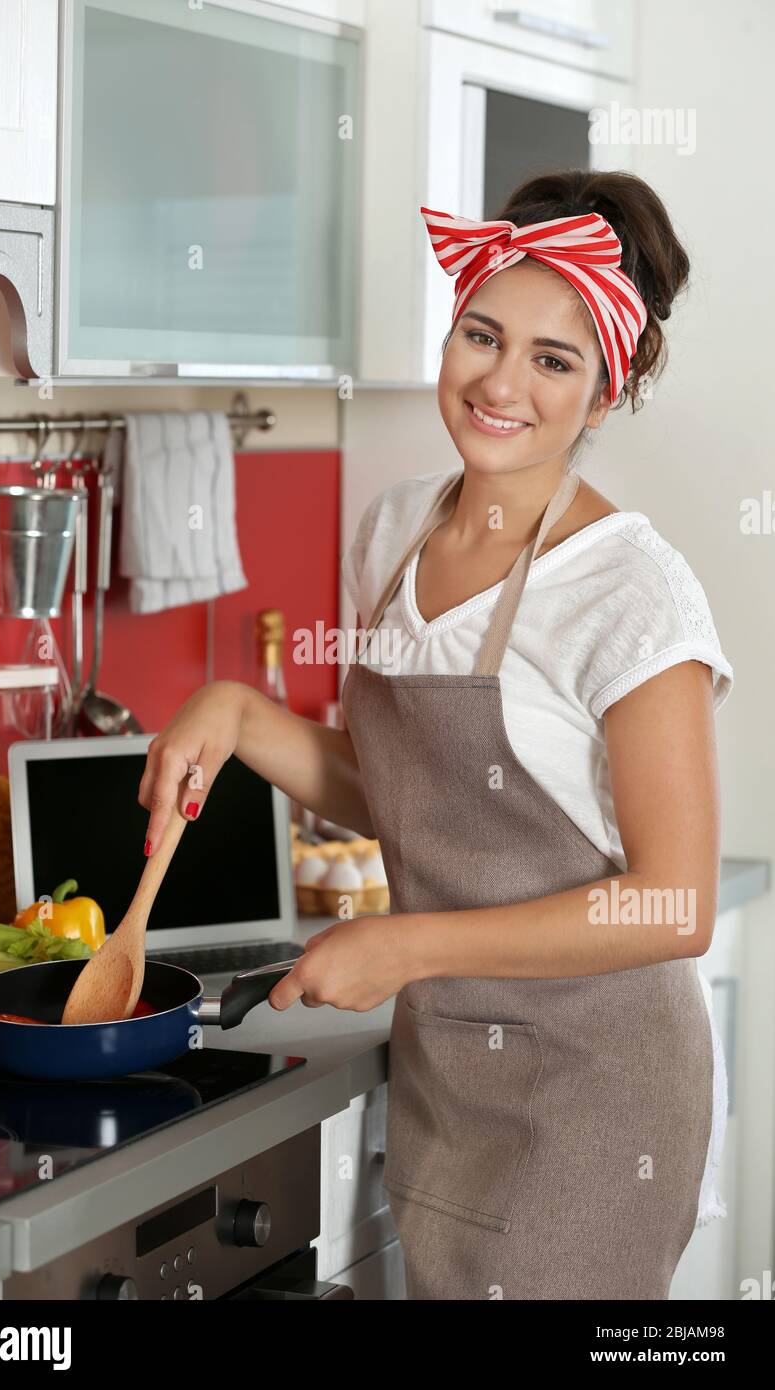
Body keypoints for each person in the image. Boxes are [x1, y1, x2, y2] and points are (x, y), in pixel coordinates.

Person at [139, 169, 733, 1301]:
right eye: (481, 335)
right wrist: (240, 712)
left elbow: (677, 901)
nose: (501, 383)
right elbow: (414, 799)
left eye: (552, 360)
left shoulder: (631, 592)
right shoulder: (392, 532)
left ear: (605, 390)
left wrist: (406, 946)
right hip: (452, 1072)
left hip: (600, 1092)